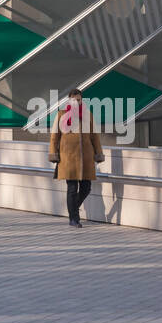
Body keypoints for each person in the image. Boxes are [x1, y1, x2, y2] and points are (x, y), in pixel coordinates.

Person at [50, 88, 105, 227]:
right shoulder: (62, 114)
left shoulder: (87, 115)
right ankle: (74, 219)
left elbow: (95, 136)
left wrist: (98, 153)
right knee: (72, 189)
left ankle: (73, 210)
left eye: (79, 100)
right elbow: (54, 137)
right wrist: (54, 154)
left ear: (82, 100)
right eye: (74, 100)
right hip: (68, 159)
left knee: (86, 188)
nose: (76, 102)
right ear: (69, 100)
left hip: (86, 159)